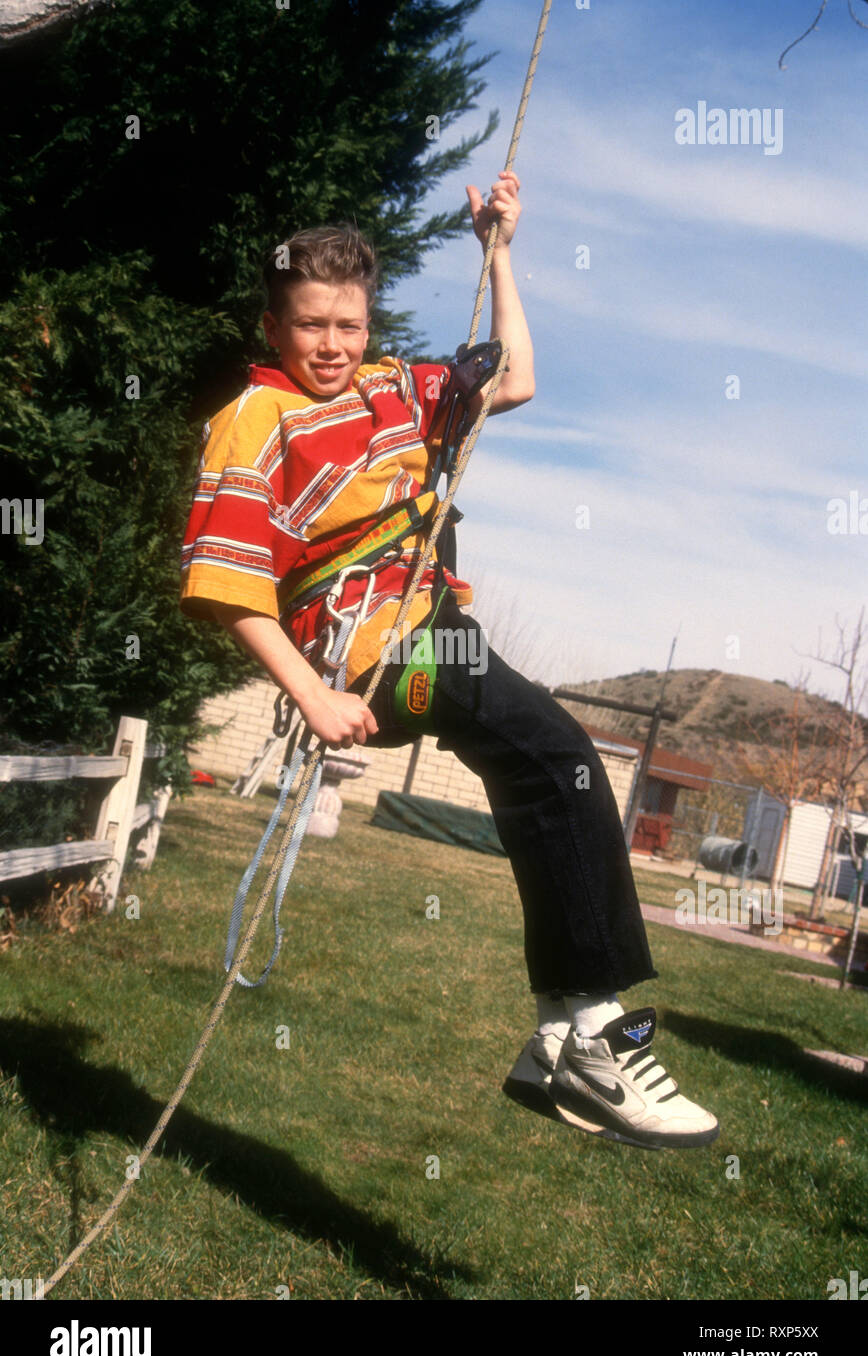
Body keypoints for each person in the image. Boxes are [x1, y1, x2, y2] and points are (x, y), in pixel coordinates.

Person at [180, 172, 719, 1151]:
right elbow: (226, 585)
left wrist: (498, 251)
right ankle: (592, 1037)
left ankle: (561, 1036)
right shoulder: (251, 422)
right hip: (373, 647)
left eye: (347, 323)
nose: (332, 345)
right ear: (272, 325)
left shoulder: (395, 387)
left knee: (543, 770)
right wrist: (308, 692)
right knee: (556, 759)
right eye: (309, 325)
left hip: (432, 623)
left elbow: (511, 378)